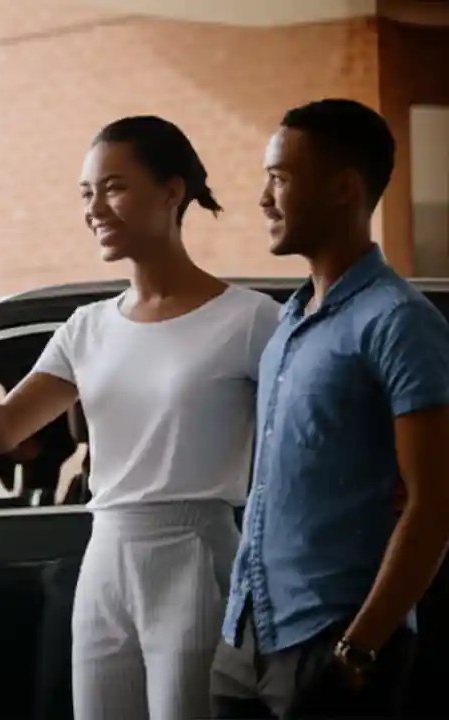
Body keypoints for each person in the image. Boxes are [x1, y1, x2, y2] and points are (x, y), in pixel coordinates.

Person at [0, 115, 281, 720]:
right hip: (105, 556)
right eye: (86, 193)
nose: (95, 207)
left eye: (114, 187)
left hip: (195, 553)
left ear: (172, 193)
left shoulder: (250, 320)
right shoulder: (86, 328)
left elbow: (302, 440)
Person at [210, 98, 449, 718]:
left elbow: (435, 504)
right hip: (248, 640)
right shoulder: (288, 323)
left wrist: (358, 650)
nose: (264, 198)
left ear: (344, 188)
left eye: (280, 178)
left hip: (334, 645)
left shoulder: (398, 322)